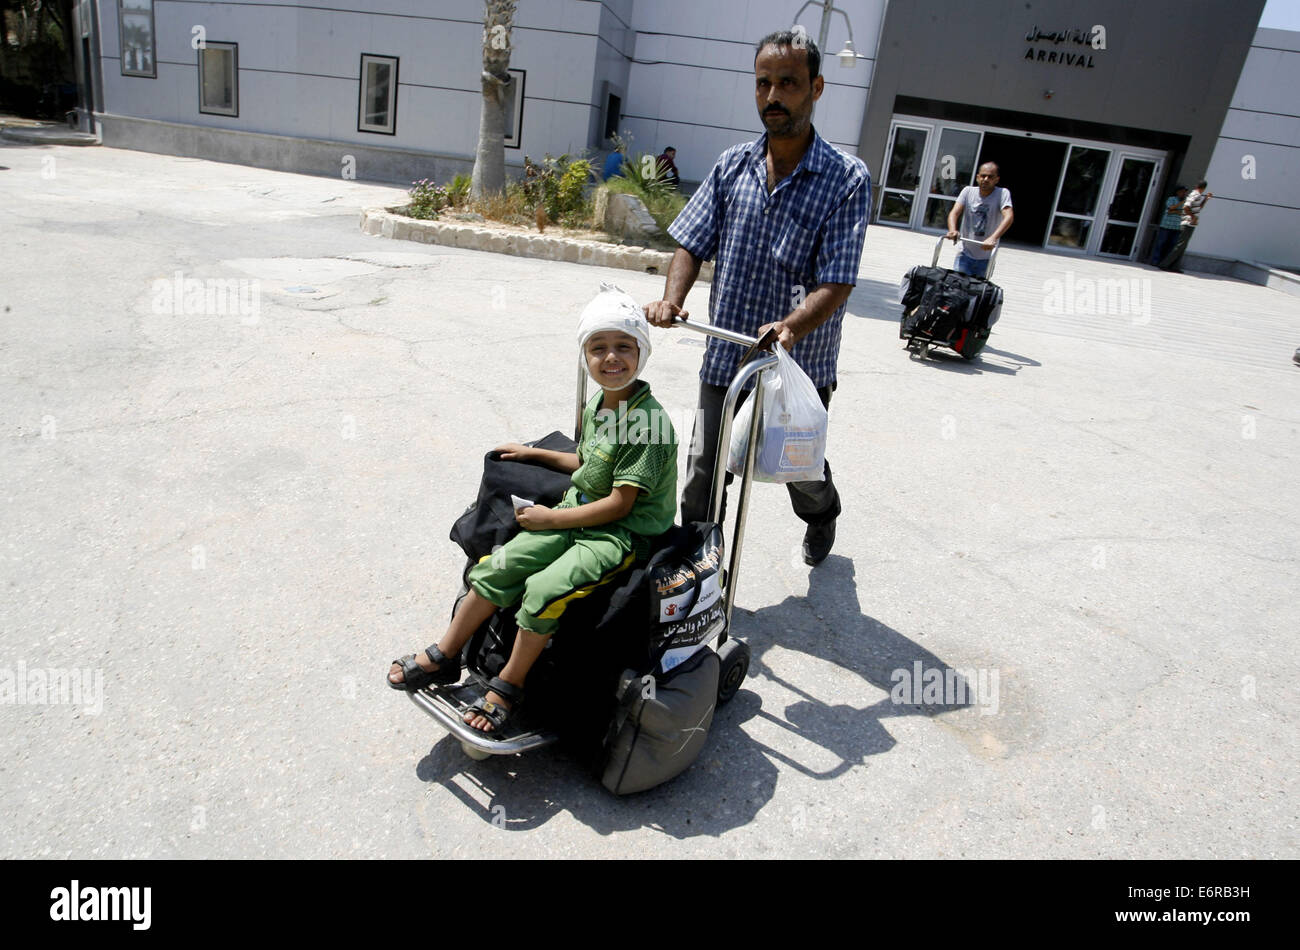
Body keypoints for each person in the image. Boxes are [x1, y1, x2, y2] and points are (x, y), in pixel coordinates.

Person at [388, 286, 678, 734]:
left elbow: (619, 503)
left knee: (544, 589)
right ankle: (446, 655)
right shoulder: (603, 400)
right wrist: (532, 453)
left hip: (618, 533)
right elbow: (588, 463)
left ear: (643, 351)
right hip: (578, 511)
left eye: (623, 346)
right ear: (586, 356)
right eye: (597, 348)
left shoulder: (649, 423)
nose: (611, 358)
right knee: (497, 566)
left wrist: (550, 519)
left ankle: (509, 684)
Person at [644, 30, 870, 566]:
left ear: (816, 88)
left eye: (787, 83)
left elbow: (836, 280)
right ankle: (697, 573)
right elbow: (690, 243)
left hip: (798, 365)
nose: (773, 95)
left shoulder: (846, 179)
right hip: (726, 358)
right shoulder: (731, 167)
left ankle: (823, 512)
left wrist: (790, 326)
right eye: (763, 83)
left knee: (795, 470)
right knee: (704, 470)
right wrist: (671, 299)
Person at [945, 163, 1013, 277]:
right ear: (977, 177)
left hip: (986, 258)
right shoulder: (968, 191)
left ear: (997, 179)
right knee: (957, 289)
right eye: (983, 176)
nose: (985, 179)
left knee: (978, 292)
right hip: (965, 254)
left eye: (990, 177)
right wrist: (953, 230)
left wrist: (993, 238)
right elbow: (954, 212)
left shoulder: (1002, 194)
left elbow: (1009, 216)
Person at [1158, 179, 1213, 273]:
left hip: (1190, 224)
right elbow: (1186, 207)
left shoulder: (1197, 195)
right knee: (1180, 245)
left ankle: (1175, 266)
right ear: (1204, 188)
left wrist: (1205, 199)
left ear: (1197, 186)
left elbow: (1198, 208)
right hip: (1187, 223)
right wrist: (1193, 217)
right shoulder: (1195, 195)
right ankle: (1164, 264)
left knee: (1183, 246)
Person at [1149, 185, 1188, 266]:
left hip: (1177, 227)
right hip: (1166, 226)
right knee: (1161, 243)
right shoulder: (1171, 199)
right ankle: (1155, 261)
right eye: (1182, 192)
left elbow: (1184, 212)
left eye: (1185, 192)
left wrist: (1176, 211)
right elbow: (1170, 210)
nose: (1184, 194)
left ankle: (1164, 262)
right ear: (1178, 192)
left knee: (1172, 245)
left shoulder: (1186, 202)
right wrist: (1179, 205)